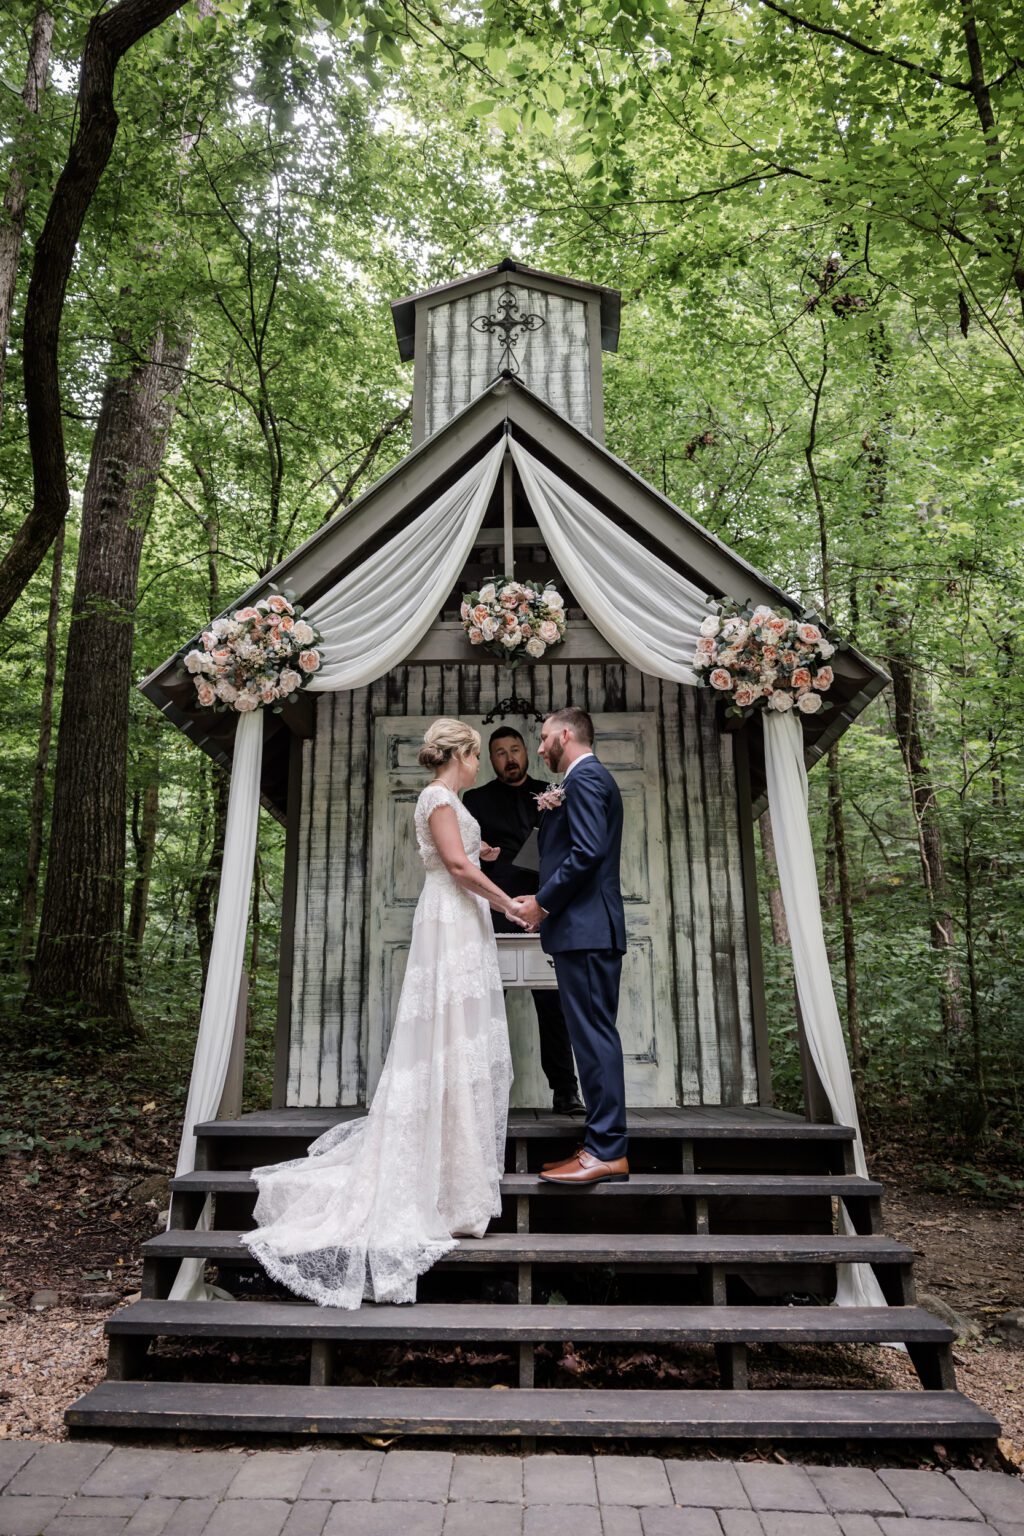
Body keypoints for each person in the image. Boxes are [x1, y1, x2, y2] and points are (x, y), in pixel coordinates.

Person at [243, 718, 522, 1308]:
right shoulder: (440, 795)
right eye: (478, 756)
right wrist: (511, 906)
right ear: (465, 753)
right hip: (452, 917)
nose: (481, 766)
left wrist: (484, 849)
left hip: (460, 920)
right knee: (448, 1037)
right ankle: (441, 1188)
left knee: (460, 1038)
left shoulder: (450, 801)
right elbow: (456, 867)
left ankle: (457, 1178)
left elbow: (464, 852)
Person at [511, 707, 629, 1186]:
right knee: (590, 1037)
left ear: (564, 734)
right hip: (584, 930)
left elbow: (586, 853)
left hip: (587, 929)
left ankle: (606, 1150)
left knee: (595, 1038)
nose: (539, 749)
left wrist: (542, 903)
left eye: (541, 738)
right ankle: (599, 1143)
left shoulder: (586, 780)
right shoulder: (585, 780)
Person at [463, 727, 584, 1117]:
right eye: (499, 753)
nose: (509, 757)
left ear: (526, 752)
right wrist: (483, 853)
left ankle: (566, 1091)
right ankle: (482, 1096)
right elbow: (465, 854)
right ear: (492, 759)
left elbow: (567, 847)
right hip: (496, 912)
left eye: (515, 749)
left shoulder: (553, 790)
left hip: (545, 909)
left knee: (554, 1005)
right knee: (487, 1006)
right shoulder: (475, 799)